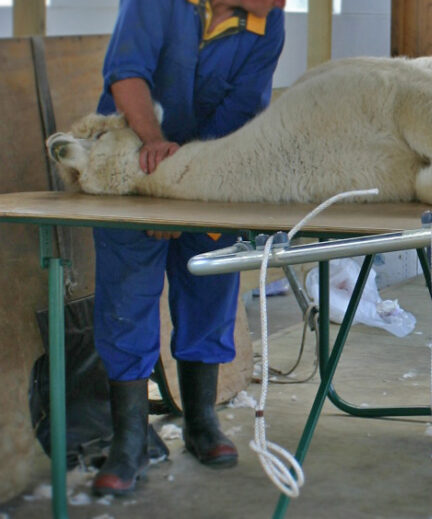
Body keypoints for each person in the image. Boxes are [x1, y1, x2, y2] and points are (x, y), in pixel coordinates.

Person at [91, 0, 285, 495]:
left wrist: (183, 186)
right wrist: (155, 150)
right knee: (126, 296)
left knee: (210, 286)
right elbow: (127, 73)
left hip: (209, 173)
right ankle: (129, 440)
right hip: (133, 158)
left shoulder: (268, 21)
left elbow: (241, 109)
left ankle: (201, 421)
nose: (284, 2)